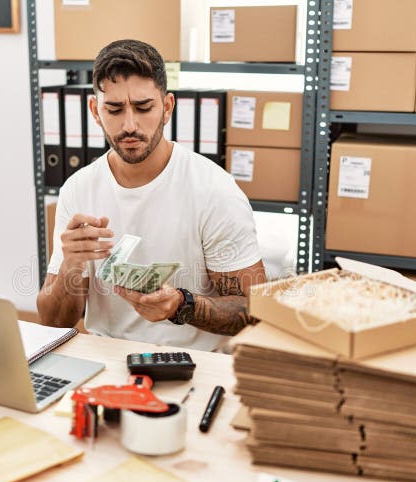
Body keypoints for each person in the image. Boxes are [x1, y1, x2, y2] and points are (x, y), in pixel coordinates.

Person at [37, 39, 266, 351]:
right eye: (114, 109)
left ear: (167, 107)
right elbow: (53, 323)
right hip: (106, 359)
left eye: (144, 108)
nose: (129, 125)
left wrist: (182, 306)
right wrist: (71, 267)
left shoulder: (214, 190)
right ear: (94, 110)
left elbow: (255, 310)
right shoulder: (77, 189)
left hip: (192, 364)